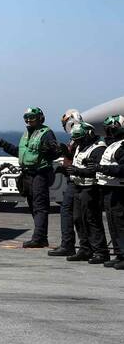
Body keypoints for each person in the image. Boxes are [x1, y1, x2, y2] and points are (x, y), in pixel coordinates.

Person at [0, 107, 59, 248]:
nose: (29, 120)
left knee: (40, 206)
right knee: (32, 206)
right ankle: (40, 236)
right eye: (26, 117)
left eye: (32, 117)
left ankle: (40, 238)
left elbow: (55, 153)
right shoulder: (26, 134)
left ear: (40, 118)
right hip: (27, 174)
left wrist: (50, 150)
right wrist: (5, 146)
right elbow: (22, 154)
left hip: (40, 174)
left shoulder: (46, 133)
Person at [63, 122, 109, 264]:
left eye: (79, 139)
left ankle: (101, 251)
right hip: (78, 186)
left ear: (88, 135)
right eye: (75, 139)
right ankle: (85, 249)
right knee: (78, 218)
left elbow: (96, 171)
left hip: (90, 188)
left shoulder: (98, 149)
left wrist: (78, 171)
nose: (76, 141)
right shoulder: (80, 146)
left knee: (92, 220)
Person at [49, 109, 83, 257]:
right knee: (72, 213)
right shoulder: (75, 139)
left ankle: (70, 245)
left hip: (77, 182)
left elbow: (78, 159)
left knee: (70, 212)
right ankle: (73, 244)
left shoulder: (78, 139)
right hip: (72, 180)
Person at [97, 115, 124, 268]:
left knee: (120, 223)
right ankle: (119, 253)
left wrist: (103, 169)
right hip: (109, 188)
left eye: (111, 129)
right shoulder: (114, 145)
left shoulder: (122, 146)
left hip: (118, 189)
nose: (109, 132)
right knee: (113, 223)